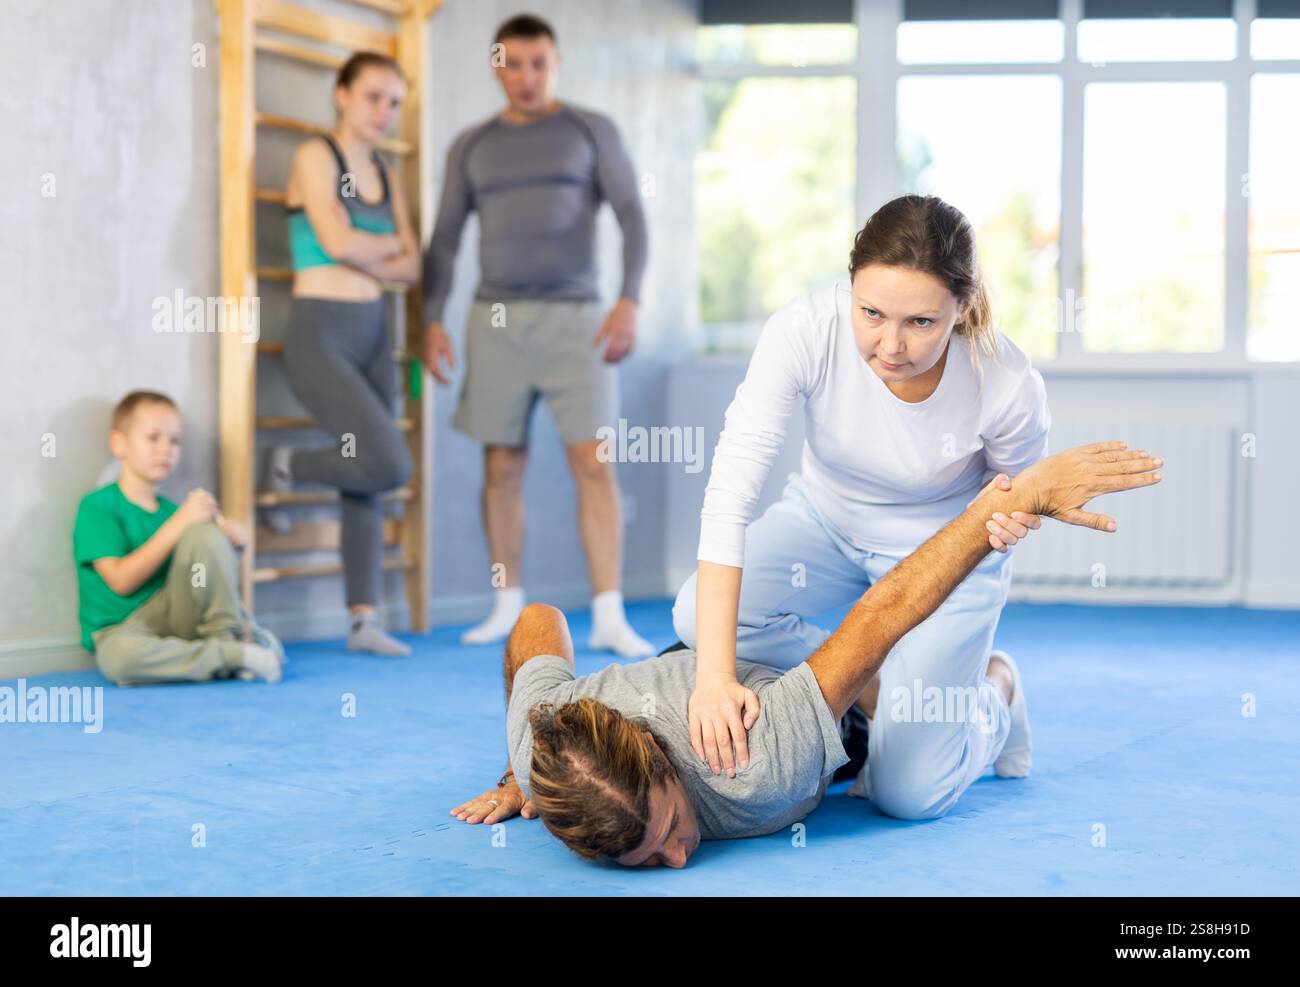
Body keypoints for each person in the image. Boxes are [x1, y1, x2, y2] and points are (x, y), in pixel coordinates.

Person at [452, 441, 1164, 866]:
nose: (678, 857)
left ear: (665, 761)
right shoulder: (549, 737)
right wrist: (525, 767)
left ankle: (997, 691)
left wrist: (999, 509)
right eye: (649, 862)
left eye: (670, 827)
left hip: (796, 705)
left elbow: (878, 617)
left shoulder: (753, 766)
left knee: (909, 794)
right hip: (748, 679)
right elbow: (538, 620)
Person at [673, 195, 1051, 826]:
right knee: (697, 616)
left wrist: (1010, 517)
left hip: (946, 553)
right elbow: (729, 494)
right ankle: (876, 691)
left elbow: (1011, 503)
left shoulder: (1007, 382)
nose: (890, 345)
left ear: (962, 308)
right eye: (871, 312)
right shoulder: (802, 330)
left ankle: (994, 695)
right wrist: (713, 679)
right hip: (824, 521)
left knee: (908, 797)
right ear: (849, 288)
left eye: (921, 323)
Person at [420, 14, 653, 657]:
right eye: (513, 64)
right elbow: (442, 239)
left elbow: (633, 215)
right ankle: (507, 607)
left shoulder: (590, 130)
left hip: (578, 317)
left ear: (555, 65)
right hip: (494, 318)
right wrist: (432, 316)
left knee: (595, 463)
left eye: (538, 64)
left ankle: (608, 613)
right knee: (502, 465)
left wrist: (629, 299)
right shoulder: (471, 146)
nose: (526, 77)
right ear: (497, 67)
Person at [263, 52, 421, 657]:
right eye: (374, 96)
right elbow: (330, 242)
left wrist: (363, 247)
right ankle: (286, 466)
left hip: (375, 330)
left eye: (394, 102)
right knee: (388, 461)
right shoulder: (313, 156)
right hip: (319, 329)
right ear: (342, 94)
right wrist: (375, 248)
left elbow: (411, 267)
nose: (384, 111)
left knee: (369, 475)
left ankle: (362, 620)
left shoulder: (387, 171)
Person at [73, 391, 284, 686]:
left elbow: (201, 577)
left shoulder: (176, 513)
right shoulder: (97, 507)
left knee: (204, 535)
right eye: (153, 437)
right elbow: (121, 581)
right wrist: (180, 523)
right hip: (123, 631)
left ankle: (225, 638)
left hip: (178, 619)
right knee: (118, 661)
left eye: (174, 441)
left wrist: (231, 545)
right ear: (119, 444)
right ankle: (228, 656)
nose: (165, 449)